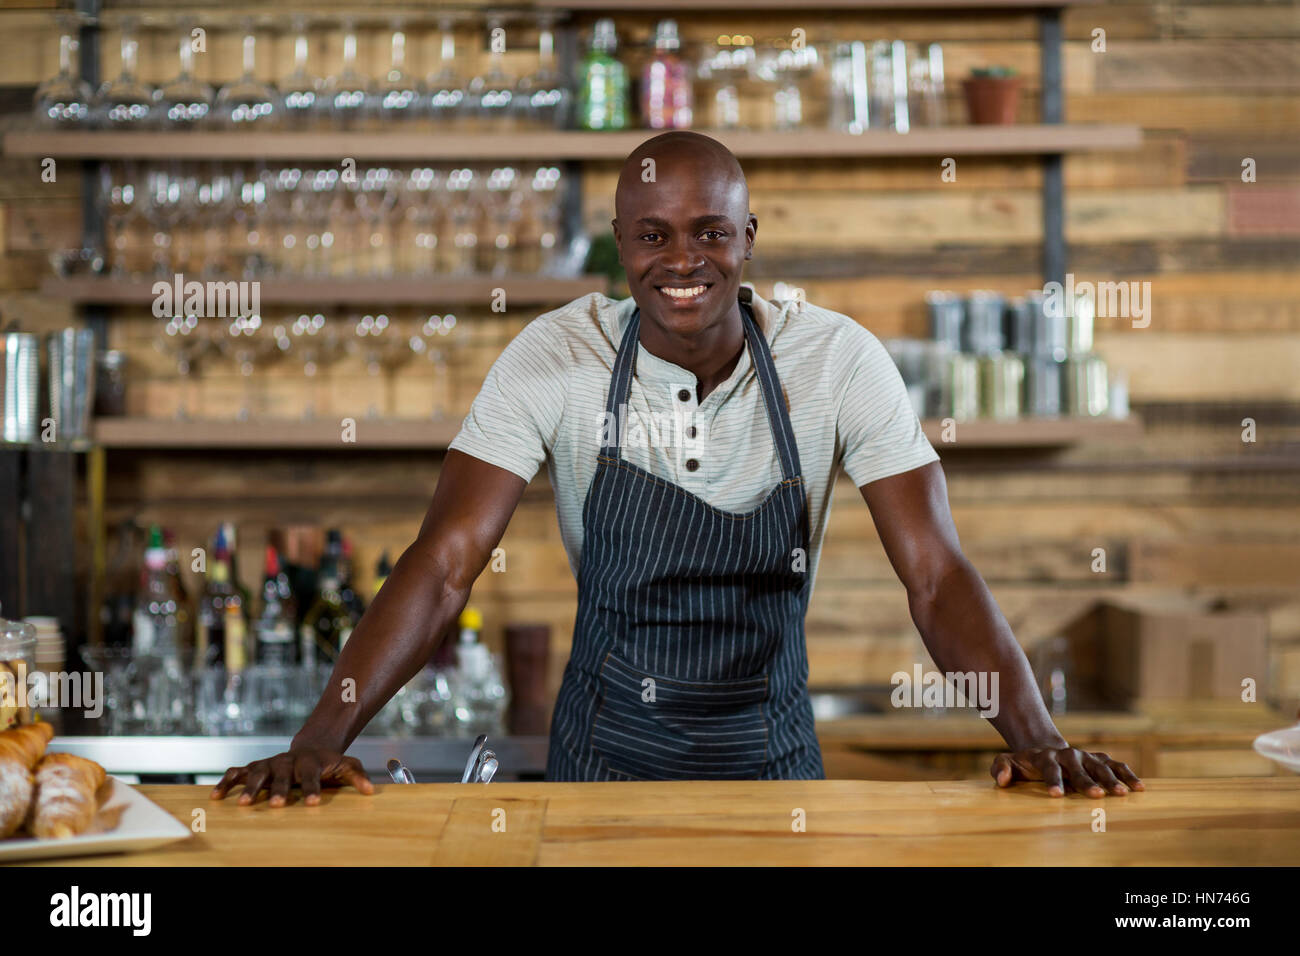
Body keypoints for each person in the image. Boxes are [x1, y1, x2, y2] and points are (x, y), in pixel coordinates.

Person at [212, 131, 1142, 803]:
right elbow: (446, 561)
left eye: (710, 231)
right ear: (622, 248)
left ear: (748, 240)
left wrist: (1038, 741)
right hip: (598, 777)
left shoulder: (836, 361)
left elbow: (936, 574)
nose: (683, 259)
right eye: (653, 235)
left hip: (772, 774)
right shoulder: (554, 359)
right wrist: (321, 739)